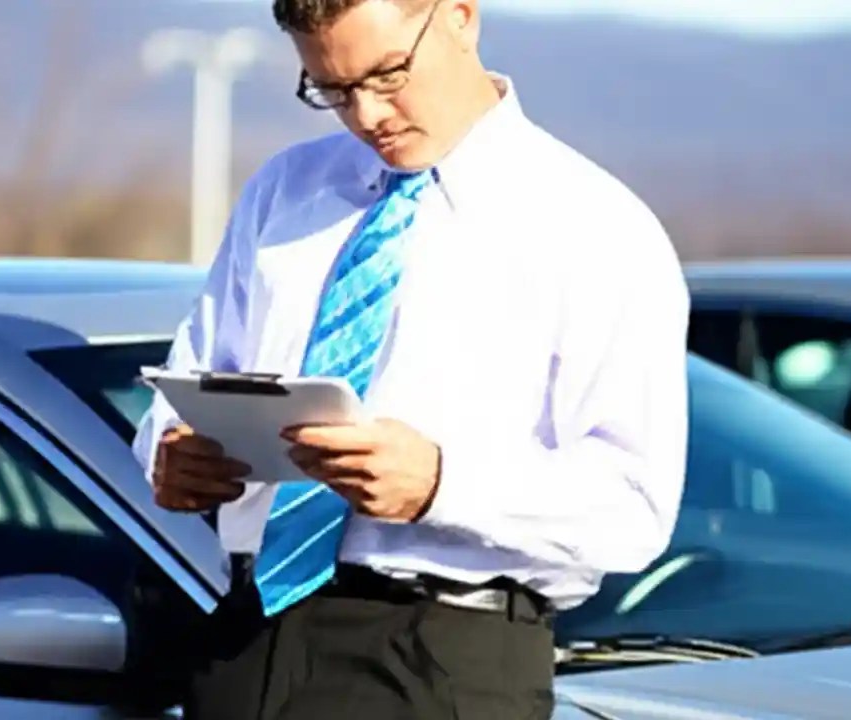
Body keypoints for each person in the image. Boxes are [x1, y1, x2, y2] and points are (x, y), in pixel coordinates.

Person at [131, 0, 690, 717]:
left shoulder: (597, 228)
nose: (367, 114)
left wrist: (440, 484)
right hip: (249, 639)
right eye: (330, 90)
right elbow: (189, 384)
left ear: (460, 17)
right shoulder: (284, 192)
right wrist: (171, 457)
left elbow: (632, 508)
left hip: (445, 656)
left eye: (388, 73)